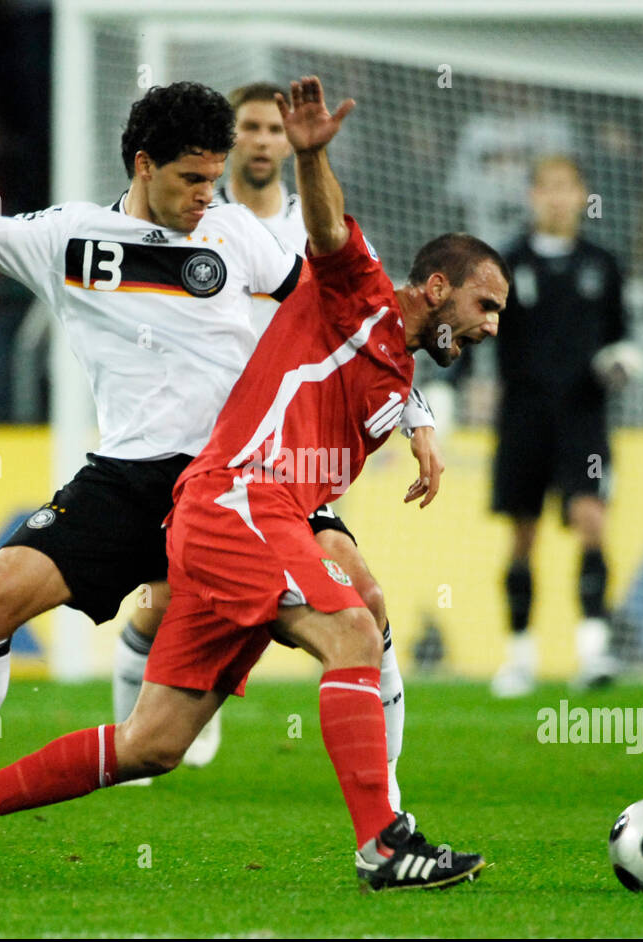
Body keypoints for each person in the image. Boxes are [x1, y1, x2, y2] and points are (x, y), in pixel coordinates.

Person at [0, 80, 438, 879]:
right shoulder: (69, 237)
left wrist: (411, 409)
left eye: (215, 176)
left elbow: (345, 312)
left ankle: (392, 817)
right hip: (132, 476)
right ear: (141, 163)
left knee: (363, 603)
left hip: (248, 475)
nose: (209, 195)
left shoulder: (238, 234)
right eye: (191, 179)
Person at [111, 81, 439, 796]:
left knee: (365, 597)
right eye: (249, 128)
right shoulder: (197, 222)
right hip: (209, 439)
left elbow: (380, 335)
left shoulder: (318, 227)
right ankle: (150, 711)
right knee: (166, 598)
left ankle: (384, 789)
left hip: (291, 450)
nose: (262, 140)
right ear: (230, 145)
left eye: (270, 129)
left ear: (287, 139)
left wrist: (418, 419)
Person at [489, 155, 643, 697]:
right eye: (547, 188)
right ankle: (519, 657)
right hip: (523, 415)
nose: (557, 198)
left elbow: (624, 336)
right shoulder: (507, 262)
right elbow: (479, 330)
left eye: (567, 188)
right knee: (523, 535)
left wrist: (621, 361)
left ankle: (594, 650)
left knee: (590, 518)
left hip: (584, 416)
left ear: (582, 196)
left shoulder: (604, 264)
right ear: (532, 196)